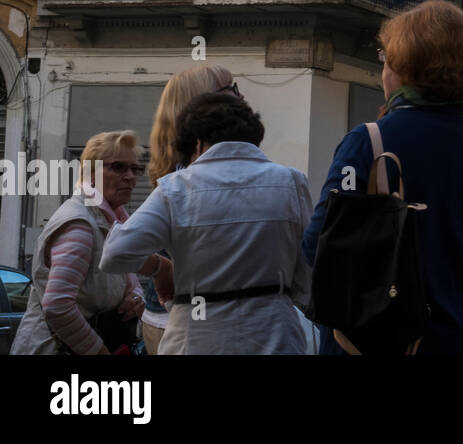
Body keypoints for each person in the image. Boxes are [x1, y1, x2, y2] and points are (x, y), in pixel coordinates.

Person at [303, 0, 463, 354]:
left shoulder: (368, 143)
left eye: (385, 59)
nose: (382, 71)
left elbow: (317, 247)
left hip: (385, 343)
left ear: (405, 70)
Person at [101, 92, 313, 353]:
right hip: (275, 333)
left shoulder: (175, 188)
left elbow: (114, 255)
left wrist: (159, 267)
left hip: (195, 338)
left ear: (198, 143)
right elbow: (306, 270)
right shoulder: (291, 181)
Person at [11, 131, 158, 355]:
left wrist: (136, 297)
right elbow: (58, 306)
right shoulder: (80, 225)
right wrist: (98, 351)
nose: (130, 176)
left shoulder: (112, 222)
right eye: (118, 167)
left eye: (134, 169)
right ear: (91, 174)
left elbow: (129, 282)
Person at [134, 64, 238, 353]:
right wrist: (159, 267)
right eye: (230, 90)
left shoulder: (184, 175)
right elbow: (119, 249)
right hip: (186, 326)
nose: (240, 97)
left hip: (179, 320)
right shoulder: (191, 179)